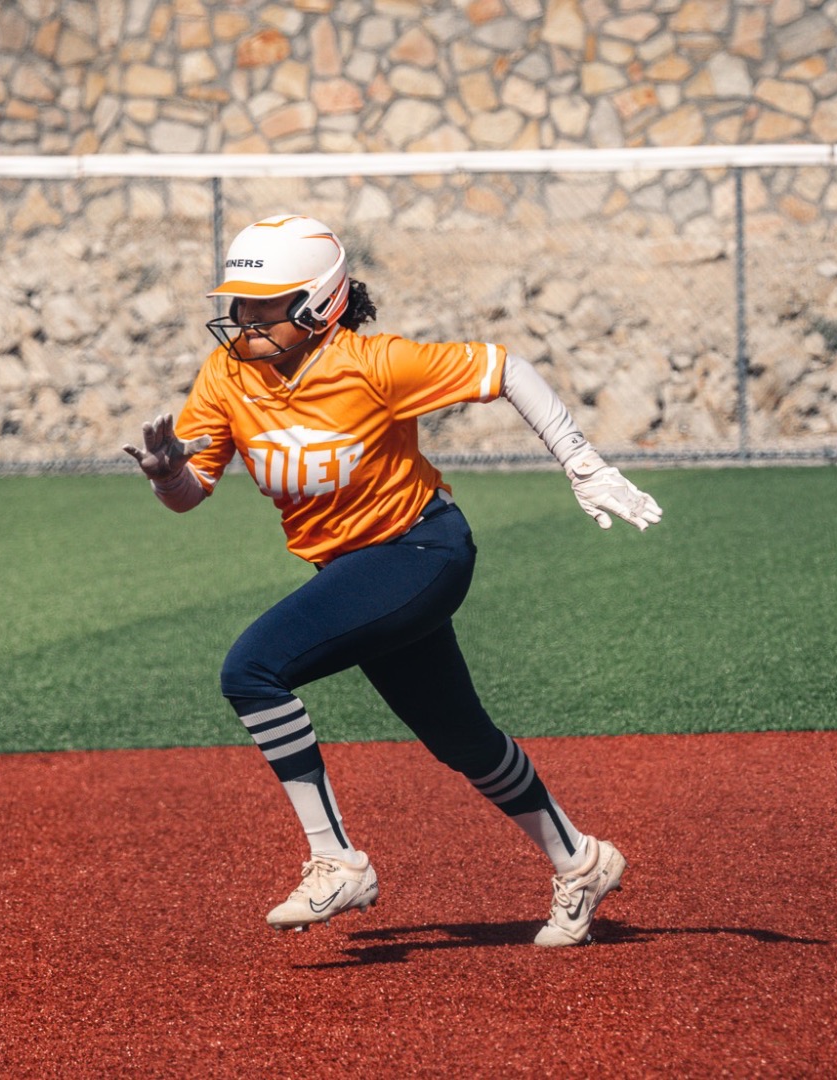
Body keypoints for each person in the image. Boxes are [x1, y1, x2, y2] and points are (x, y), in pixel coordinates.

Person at [122, 215, 662, 947]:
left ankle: (336, 861)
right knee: (460, 738)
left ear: (318, 304)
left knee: (253, 670)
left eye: (264, 302)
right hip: (357, 570)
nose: (245, 319)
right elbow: (193, 493)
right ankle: (581, 860)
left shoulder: (373, 363)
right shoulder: (227, 375)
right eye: (240, 302)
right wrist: (166, 476)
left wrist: (582, 463)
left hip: (422, 551)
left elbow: (508, 370)